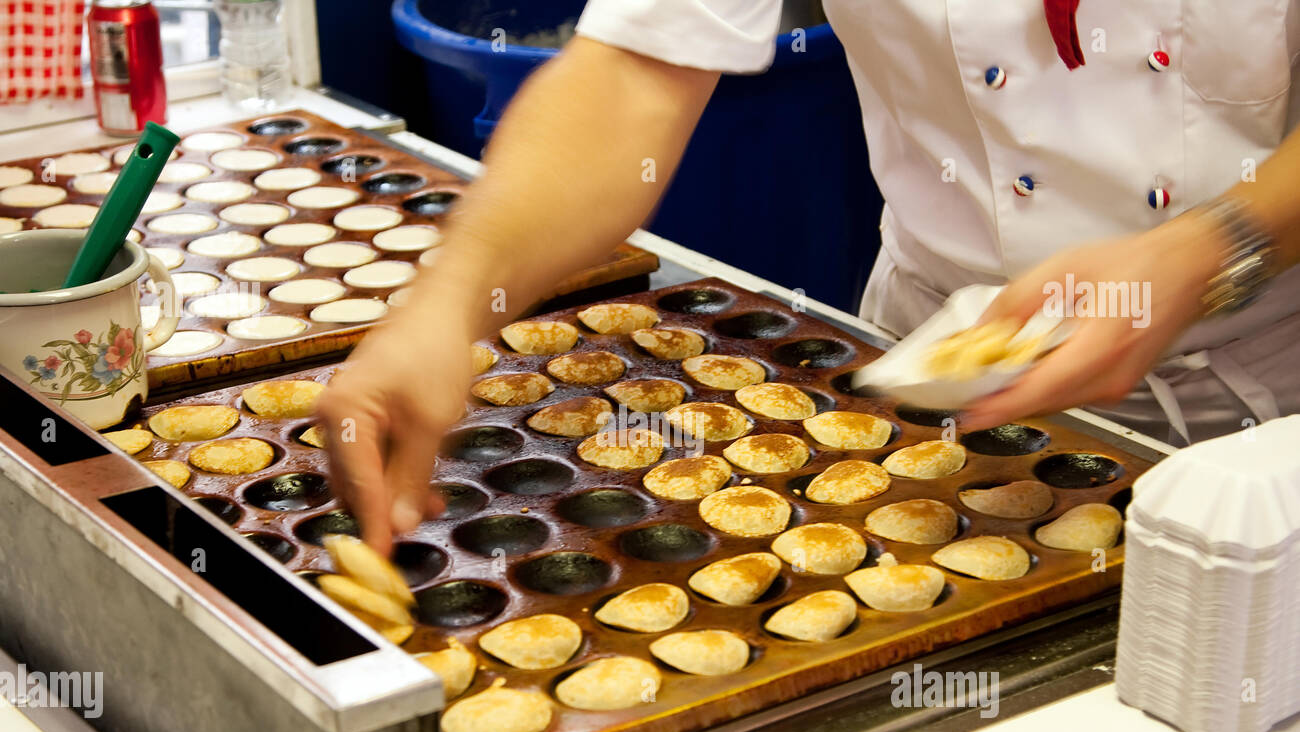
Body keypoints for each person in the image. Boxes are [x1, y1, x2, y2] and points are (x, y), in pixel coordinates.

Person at [320, 1, 1300, 553]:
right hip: (932, 402)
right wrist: (450, 300)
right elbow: (632, 74)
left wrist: (1215, 243)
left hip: (1269, 414)